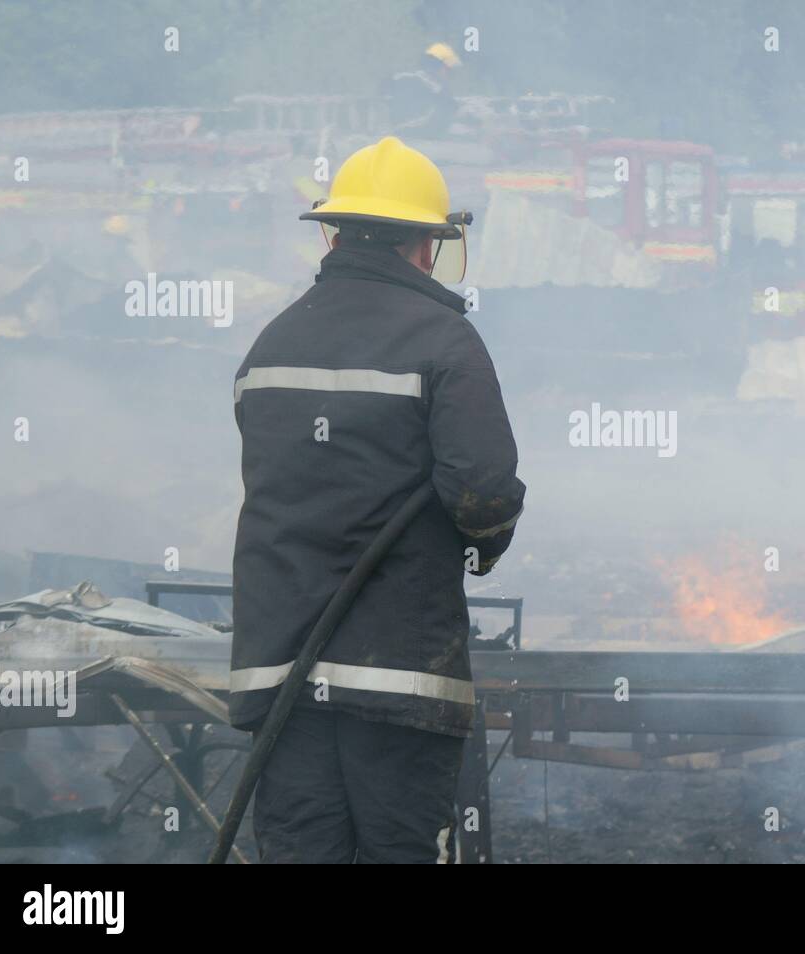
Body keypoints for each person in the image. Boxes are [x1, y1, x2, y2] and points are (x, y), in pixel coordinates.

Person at [229, 136, 525, 863]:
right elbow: (483, 492)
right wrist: (483, 547)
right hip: (400, 678)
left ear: (333, 233)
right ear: (424, 246)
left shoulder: (269, 346)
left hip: (281, 678)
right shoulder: (444, 340)